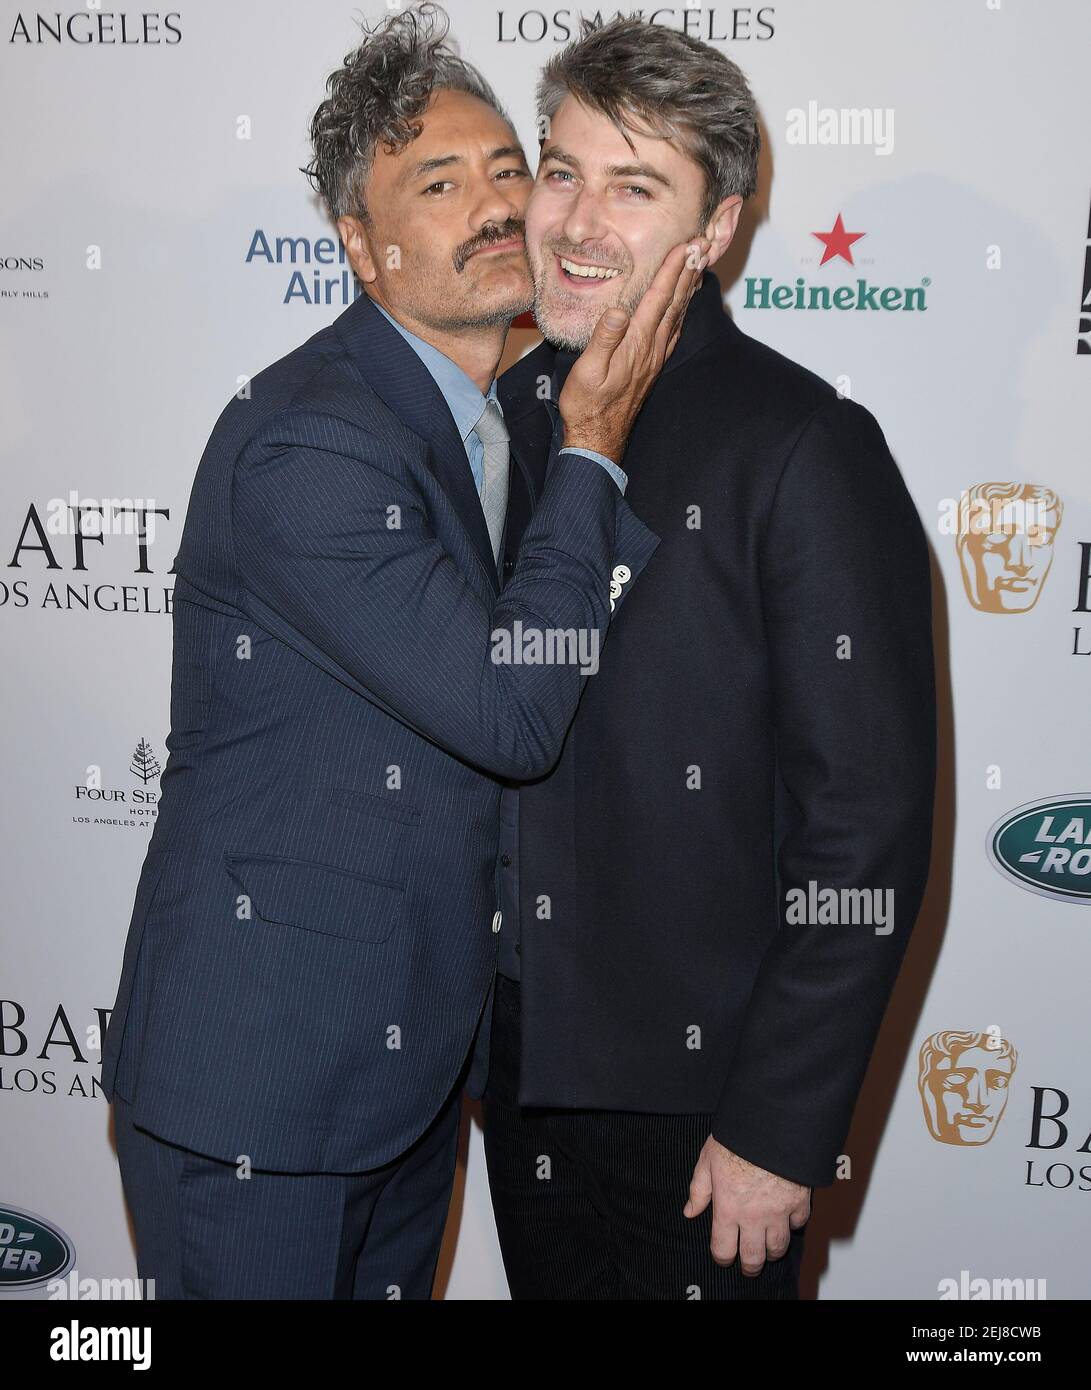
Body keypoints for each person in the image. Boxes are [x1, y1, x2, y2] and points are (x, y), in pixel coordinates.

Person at [99, 4, 703, 1300]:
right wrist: (595, 440)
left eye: (506, 171)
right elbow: (506, 707)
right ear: (360, 249)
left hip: (408, 1071)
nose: (493, 204)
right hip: (259, 1085)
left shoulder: (489, 420)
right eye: (437, 183)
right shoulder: (316, 444)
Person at [473, 17, 937, 1301]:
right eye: (561, 171)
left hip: (702, 1113)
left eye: (635, 187)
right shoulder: (508, 411)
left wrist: (779, 1130)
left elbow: (863, 828)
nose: (575, 222)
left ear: (714, 227)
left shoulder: (804, 446)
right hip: (519, 1073)